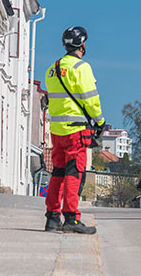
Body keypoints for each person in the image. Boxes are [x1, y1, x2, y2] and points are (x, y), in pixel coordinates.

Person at [43, 26, 108, 234]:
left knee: (58, 173)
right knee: (74, 173)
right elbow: (91, 99)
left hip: (57, 130)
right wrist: (100, 121)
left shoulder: (52, 69)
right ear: (83, 45)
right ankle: (71, 218)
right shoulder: (81, 68)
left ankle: (52, 218)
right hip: (75, 131)